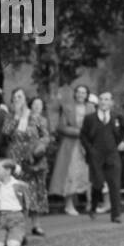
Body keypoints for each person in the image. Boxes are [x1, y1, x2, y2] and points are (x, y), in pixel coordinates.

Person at [4, 88, 51, 237]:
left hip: (33, 159)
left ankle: (36, 225)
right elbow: (6, 133)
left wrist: (40, 147)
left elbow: (46, 136)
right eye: (15, 97)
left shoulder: (35, 117)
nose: (18, 99)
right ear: (12, 101)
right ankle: (19, 226)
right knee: (19, 193)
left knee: (35, 191)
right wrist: (17, 117)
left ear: (25, 99)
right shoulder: (10, 117)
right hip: (16, 159)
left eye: (20, 96)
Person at [80, 91, 124, 224]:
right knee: (98, 184)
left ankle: (116, 215)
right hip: (96, 156)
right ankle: (93, 207)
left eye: (106, 99)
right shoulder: (90, 118)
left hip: (113, 155)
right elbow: (83, 136)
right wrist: (90, 150)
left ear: (111, 102)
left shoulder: (116, 116)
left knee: (114, 184)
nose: (103, 102)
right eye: (101, 99)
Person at [50, 84, 93, 216]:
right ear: (75, 94)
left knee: (87, 173)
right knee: (70, 173)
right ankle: (69, 204)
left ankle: (90, 203)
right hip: (71, 144)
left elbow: (94, 125)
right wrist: (78, 132)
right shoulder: (68, 108)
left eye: (83, 93)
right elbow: (61, 127)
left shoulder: (90, 108)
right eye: (78, 92)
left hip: (87, 145)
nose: (81, 95)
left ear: (87, 95)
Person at [0, 159, 31, 246]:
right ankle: (6, 237)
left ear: (8, 171)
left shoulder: (20, 185)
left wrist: (25, 216)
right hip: (1, 218)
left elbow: (26, 203)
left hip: (16, 217)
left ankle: (18, 237)